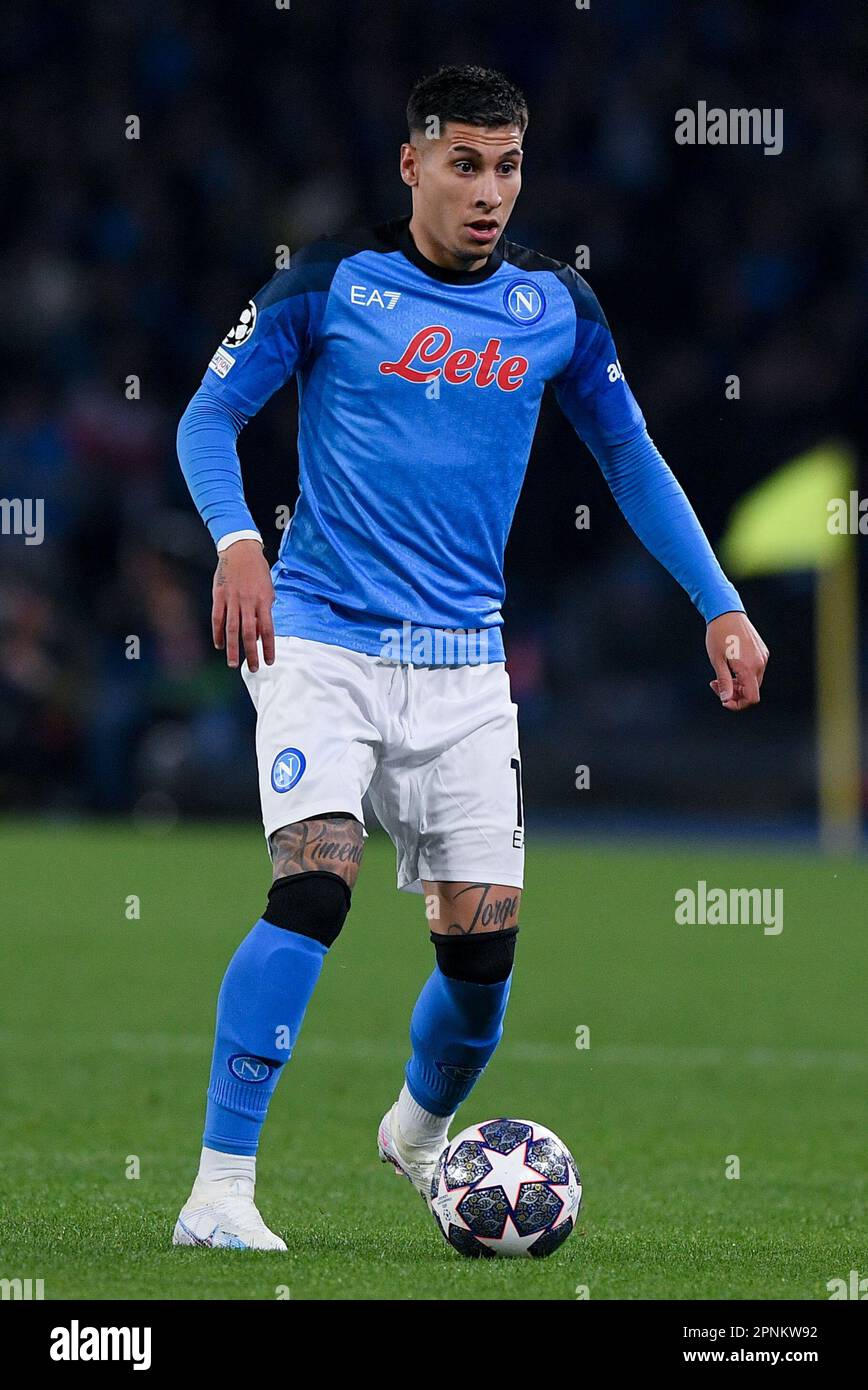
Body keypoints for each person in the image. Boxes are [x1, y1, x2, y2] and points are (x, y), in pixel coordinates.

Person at [174, 64, 768, 1249]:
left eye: (506, 166)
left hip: (463, 670)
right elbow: (207, 416)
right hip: (320, 638)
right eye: (464, 163)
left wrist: (718, 602)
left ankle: (414, 1127)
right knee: (314, 881)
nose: (488, 190)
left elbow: (631, 460)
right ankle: (219, 1191)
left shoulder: (555, 313)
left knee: (481, 969)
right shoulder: (332, 284)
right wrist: (240, 543)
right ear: (413, 165)